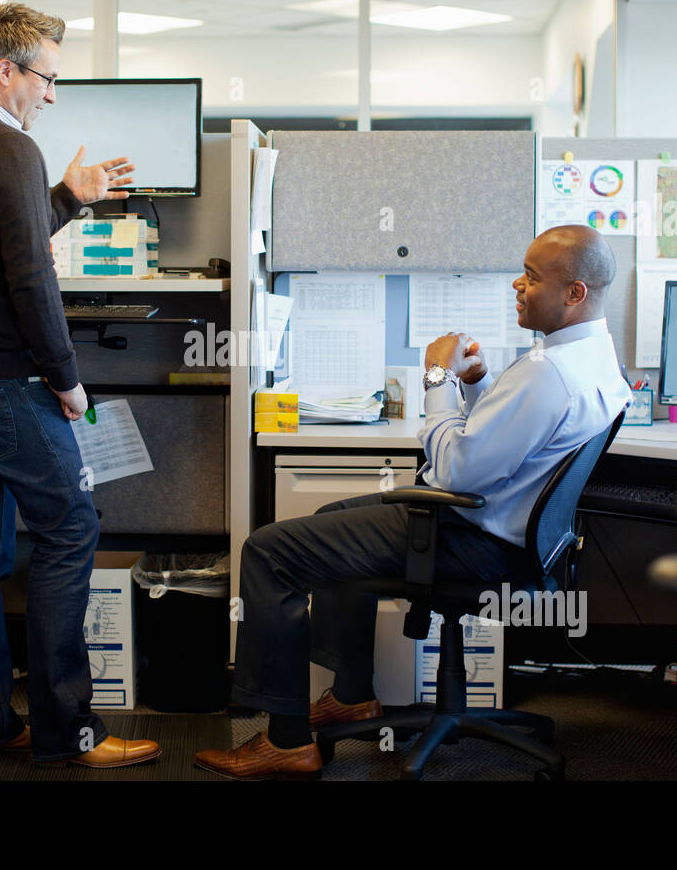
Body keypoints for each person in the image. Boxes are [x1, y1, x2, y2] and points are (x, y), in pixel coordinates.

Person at [195, 225, 630, 779]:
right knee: (330, 525)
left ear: (575, 293)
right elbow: (512, 441)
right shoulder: (593, 360)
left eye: (533, 277)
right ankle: (352, 694)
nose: (518, 286)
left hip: (473, 541)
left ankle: (285, 742)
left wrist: (436, 376)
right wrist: (472, 384)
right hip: (515, 541)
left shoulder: (548, 372)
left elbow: (455, 468)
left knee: (268, 551)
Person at [0, 1, 159, 768]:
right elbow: (28, 282)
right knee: (71, 527)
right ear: (6, 69)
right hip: (1, 379)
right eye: (47, 78)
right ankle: (67, 732)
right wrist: (67, 379)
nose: (52, 96)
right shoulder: (10, 150)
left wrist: (66, 197)